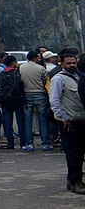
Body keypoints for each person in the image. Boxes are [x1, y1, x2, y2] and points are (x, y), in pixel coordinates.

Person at [49, 48, 85, 195]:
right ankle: (73, 181)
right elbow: (55, 102)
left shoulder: (79, 77)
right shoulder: (58, 79)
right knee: (73, 153)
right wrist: (64, 118)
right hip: (68, 122)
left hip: (81, 120)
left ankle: (78, 179)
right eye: (68, 63)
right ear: (61, 63)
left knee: (80, 153)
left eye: (74, 62)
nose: (72, 65)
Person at [20, 49, 53, 151]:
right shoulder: (41, 68)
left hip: (26, 94)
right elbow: (44, 80)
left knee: (28, 120)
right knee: (42, 119)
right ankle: (45, 143)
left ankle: (29, 143)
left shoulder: (21, 68)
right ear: (35, 58)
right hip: (40, 94)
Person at [0, 54, 28, 149]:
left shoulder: (2, 74)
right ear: (13, 62)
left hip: (5, 101)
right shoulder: (17, 73)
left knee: (7, 123)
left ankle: (10, 143)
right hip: (17, 100)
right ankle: (23, 142)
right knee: (21, 122)